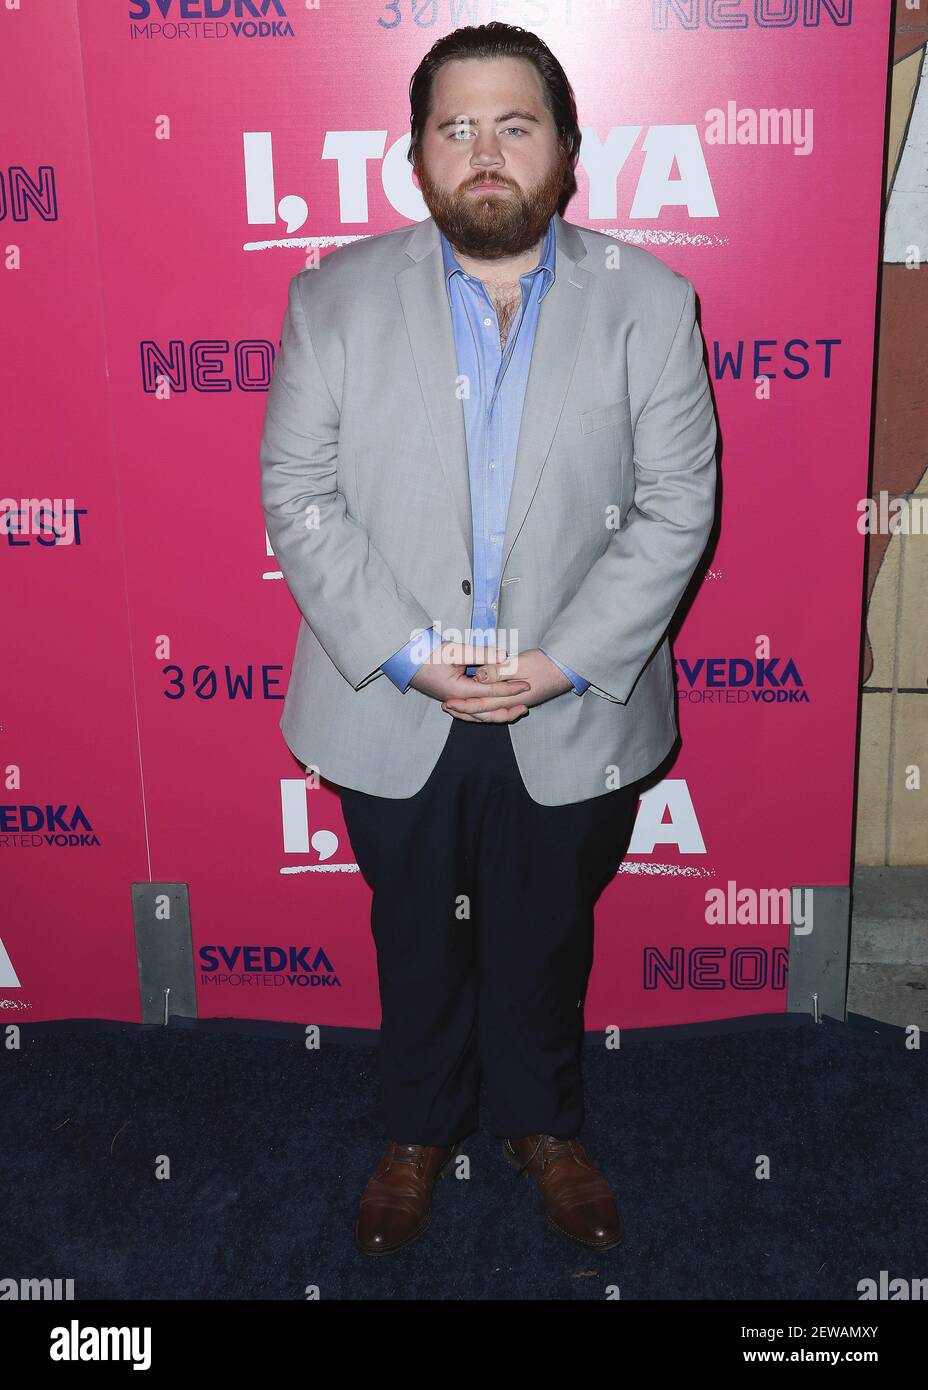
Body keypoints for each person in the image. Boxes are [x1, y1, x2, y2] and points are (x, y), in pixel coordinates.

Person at [260, 21, 717, 1256]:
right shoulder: (331, 298)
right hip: (390, 701)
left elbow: (678, 505)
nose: (485, 152)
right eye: (454, 127)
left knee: (544, 930)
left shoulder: (652, 302)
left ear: (567, 150)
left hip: (573, 699)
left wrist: (557, 661)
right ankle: (416, 1129)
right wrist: (412, 654)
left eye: (514, 125)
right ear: (415, 156)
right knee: (413, 930)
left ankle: (543, 1125)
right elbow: (299, 497)